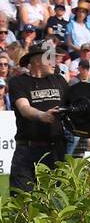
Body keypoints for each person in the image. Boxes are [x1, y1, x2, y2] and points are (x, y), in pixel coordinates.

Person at [7, 40, 69, 193]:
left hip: (56, 151)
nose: (55, 62)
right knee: (22, 202)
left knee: (56, 204)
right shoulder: (18, 82)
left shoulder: (60, 81)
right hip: (27, 152)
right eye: (50, 57)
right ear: (36, 60)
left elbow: (72, 106)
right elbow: (24, 108)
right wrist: (42, 116)